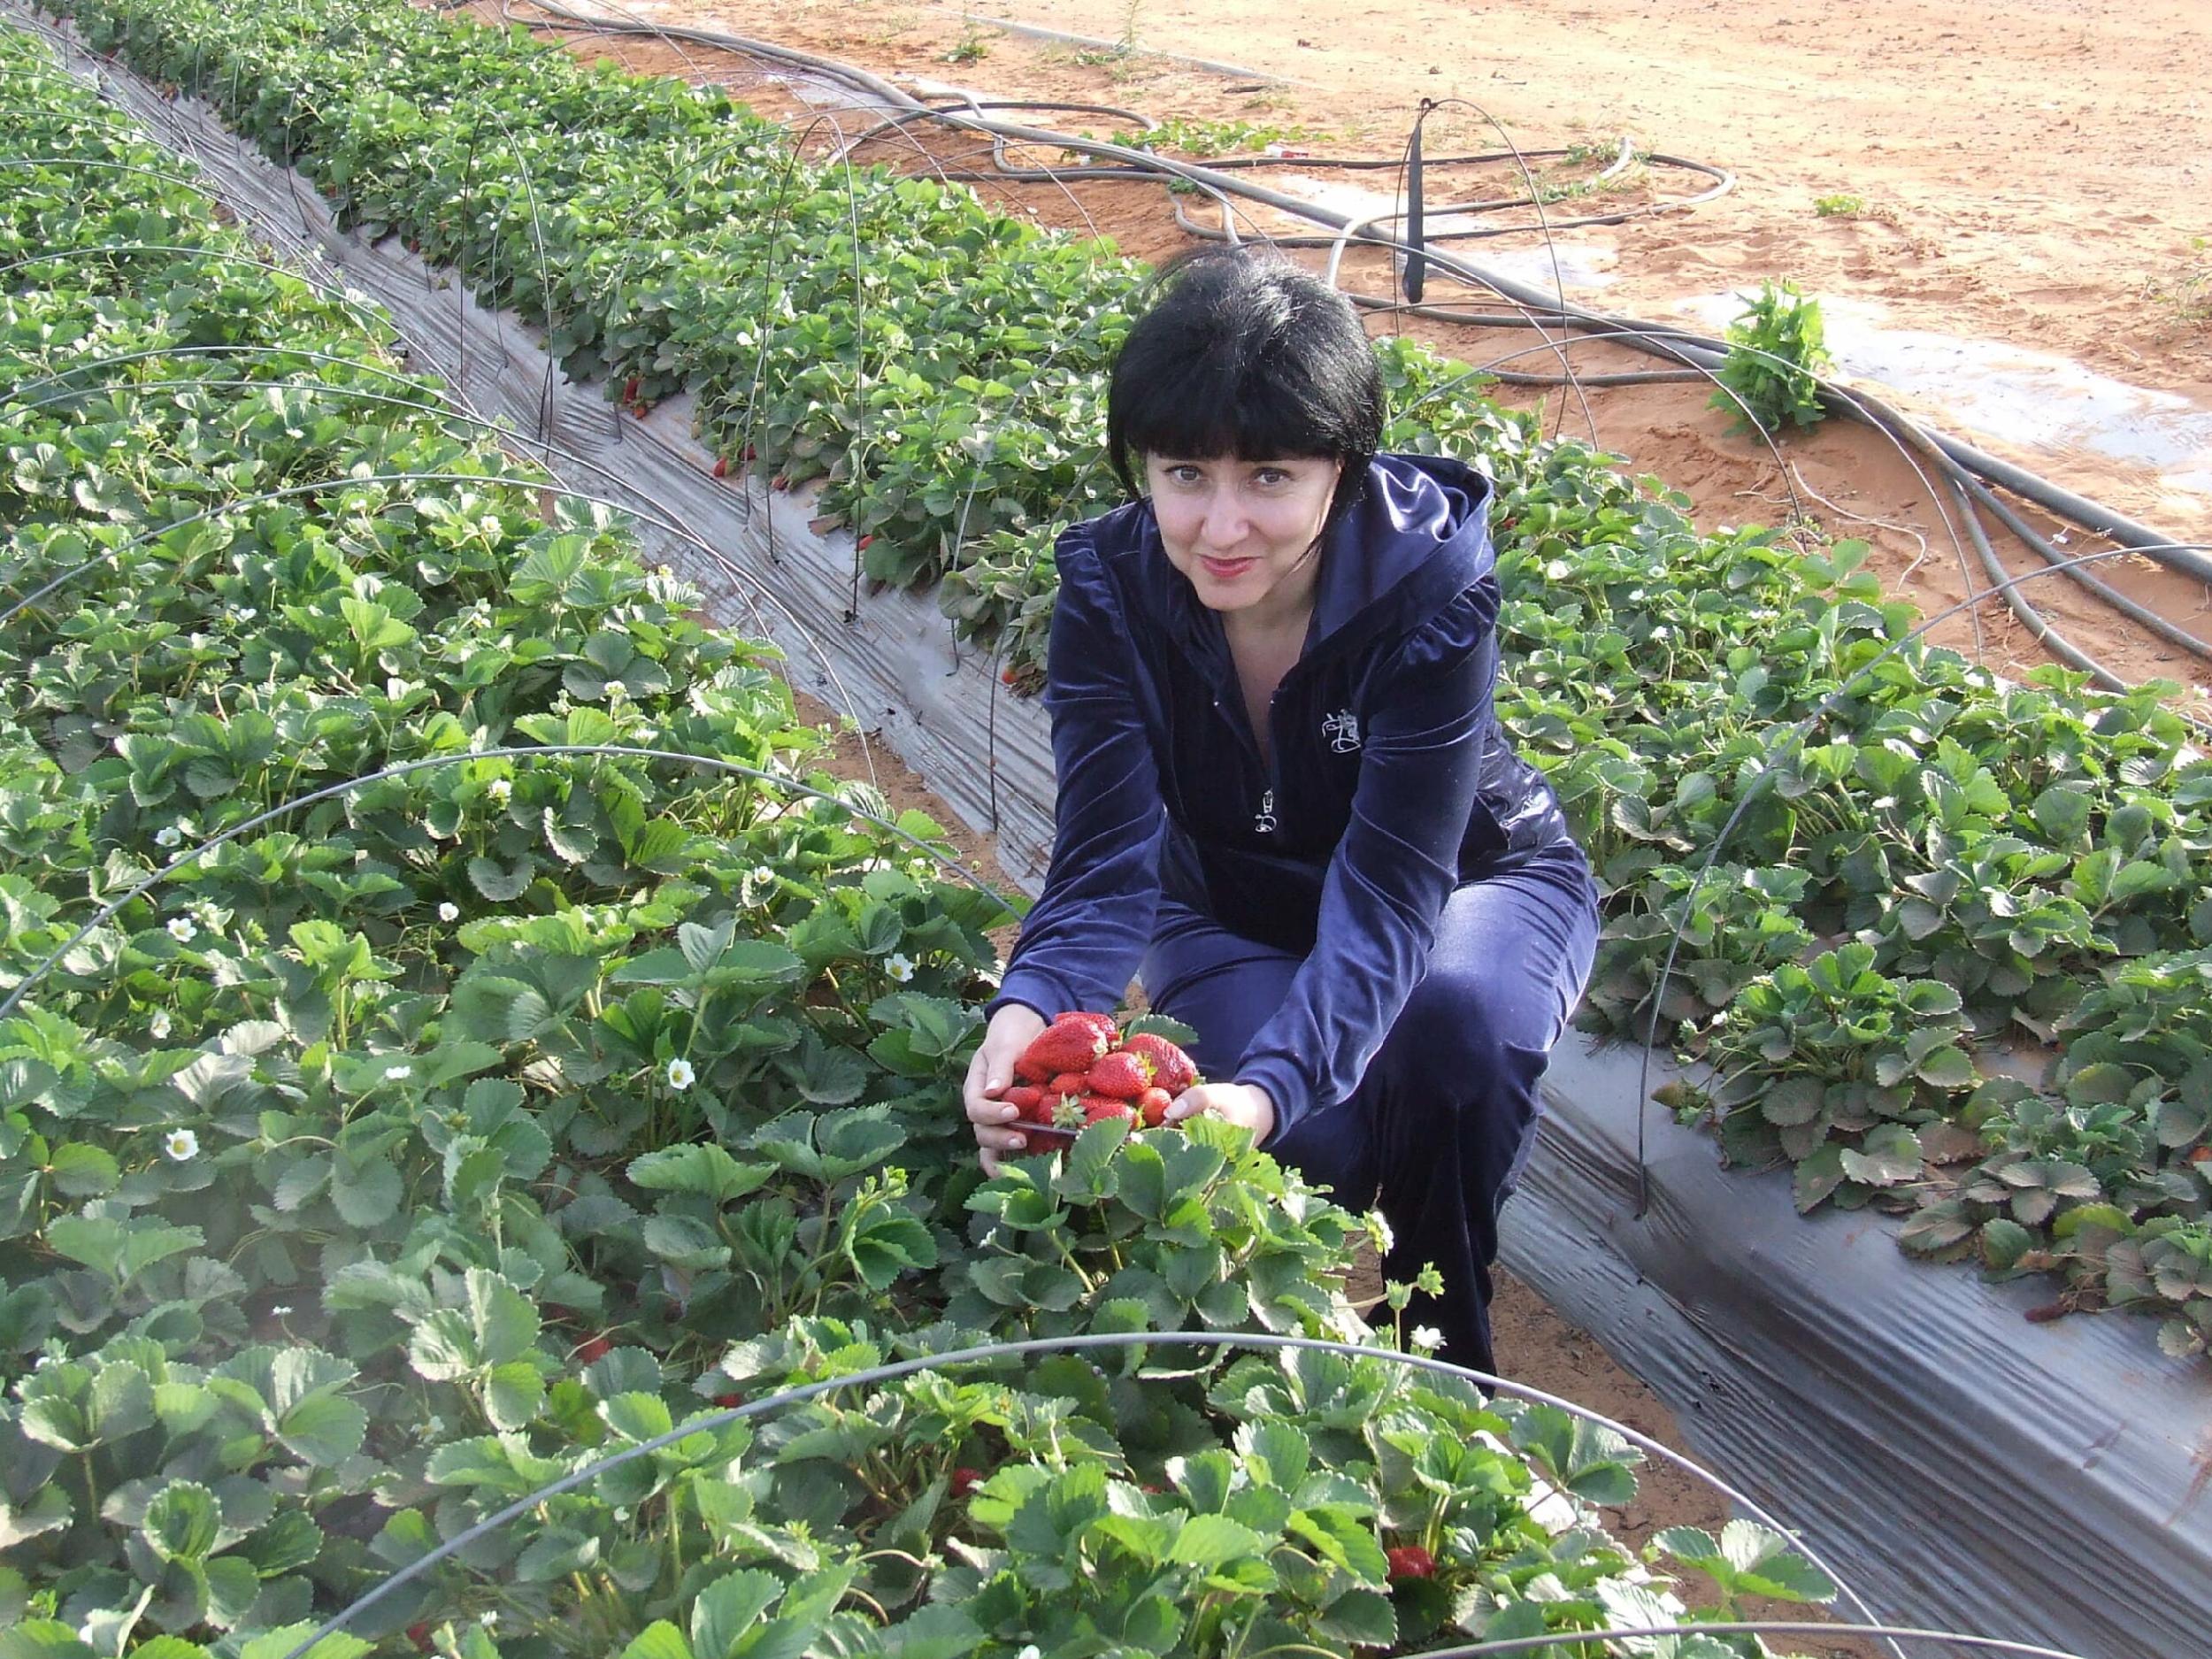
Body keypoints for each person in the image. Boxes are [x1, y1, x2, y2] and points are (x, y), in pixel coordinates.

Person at [960, 247, 1599, 1376]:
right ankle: (1277, 1381)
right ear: (1139, 469)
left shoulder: (1425, 593)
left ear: (1340, 472)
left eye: (1269, 476)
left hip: (1467, 883)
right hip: (1230, 903)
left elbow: (1396, 892)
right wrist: (1031, 1011)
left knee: (1450, 1032)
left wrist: (1264, 1084)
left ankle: (1443, 1347)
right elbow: (1108, 858)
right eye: (1183, 473)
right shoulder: (1112, 592)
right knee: (1308, 1144)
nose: (1219, 525)